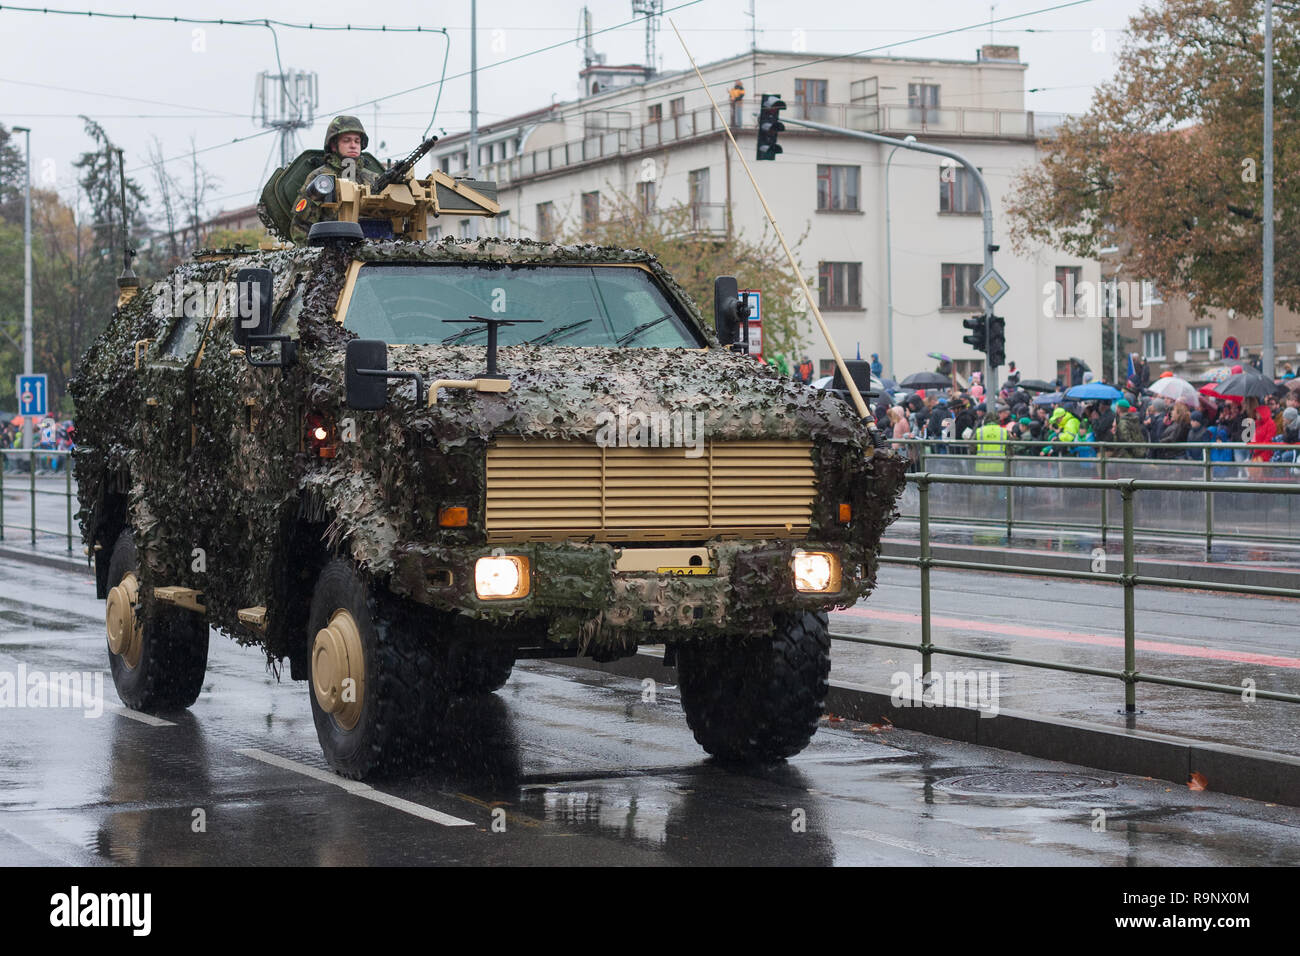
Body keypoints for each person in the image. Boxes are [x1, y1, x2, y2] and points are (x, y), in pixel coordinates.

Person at [291, 115, 380, 243]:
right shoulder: (321, 178)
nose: (353, 145)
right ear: (333, 145)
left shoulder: (372, 178)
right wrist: (313, 256)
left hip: (370, 251)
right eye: (346, 140)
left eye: (357, 141)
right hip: (330, 252)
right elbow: (301, 225)